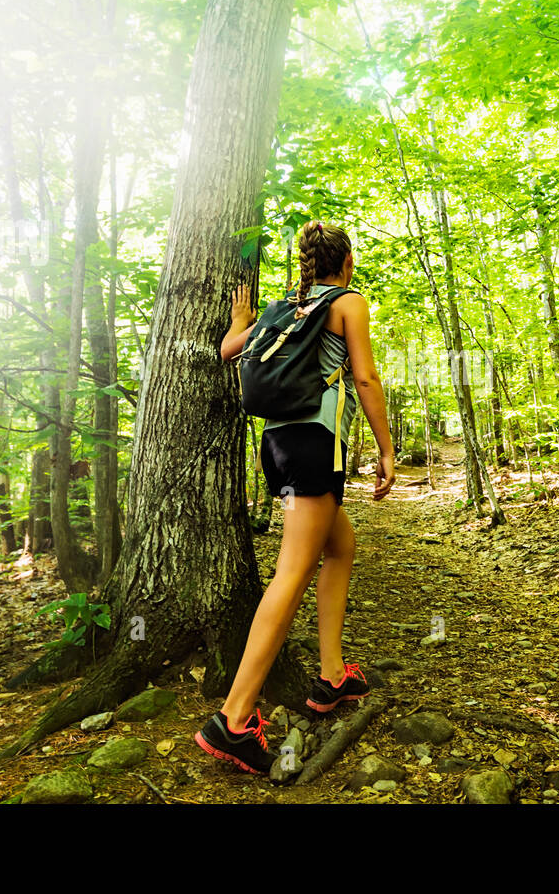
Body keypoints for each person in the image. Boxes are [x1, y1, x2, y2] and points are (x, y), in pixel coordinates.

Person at [196, 219, 396, 774]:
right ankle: (233, 721)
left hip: (278, 446)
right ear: (347, 262)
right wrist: (386, 448)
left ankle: (331, 677)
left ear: (306, 264)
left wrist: (240, 322)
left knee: (341, 548)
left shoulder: (287, 306)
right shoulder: (348, 302)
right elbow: (366, 379)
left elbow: (228, 351)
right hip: (316, 446)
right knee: (291, 572)